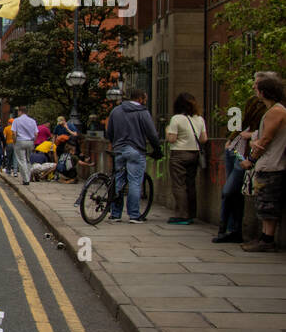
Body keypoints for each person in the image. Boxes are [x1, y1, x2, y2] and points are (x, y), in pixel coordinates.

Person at [242, 73, 286, 252]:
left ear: (264, 91)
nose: (254, 89)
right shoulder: (275, 110)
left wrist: (250, 159)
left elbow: (266, 140)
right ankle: (263, 238)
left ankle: (267, 240)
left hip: (271, 165)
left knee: (268, 204)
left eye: (257, 86)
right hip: (270, 164)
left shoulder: (276, 111)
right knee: (264, 204)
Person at [105, 88, 163, 223]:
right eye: (145, 99)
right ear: (140, 99)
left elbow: (109, 132)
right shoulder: (142, 112)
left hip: (119, 149)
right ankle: (134, 215)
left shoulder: (116, 111)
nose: (145, 101)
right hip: (136, 150)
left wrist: (115, 144)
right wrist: (157, 150)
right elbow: (152, 134)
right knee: (135, 182)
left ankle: (115, 214)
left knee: (118, 181)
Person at [216, 96, 267, 243]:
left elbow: (262, 137)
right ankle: (233, 230)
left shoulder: (260, 123)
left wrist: (249, 136)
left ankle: (224, 228)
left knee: (228, 191)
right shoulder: (245, 122)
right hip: (234, 152)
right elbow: (237, 133)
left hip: (241, 156)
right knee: (235, 194)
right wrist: (230, 142)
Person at [165, 92, 208, 225]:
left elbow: (171, 139)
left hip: (178, 154)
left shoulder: (176, 119)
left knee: (179, 185)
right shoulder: (199, 119)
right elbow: (204, 139)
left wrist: (167, 131)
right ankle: (191, 213)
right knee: (190, 184)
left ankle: (182, 215)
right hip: (194, 154)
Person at [11, 106, 39, 185]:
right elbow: (36, 133)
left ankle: (26, 179)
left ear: (20, 112)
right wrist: (33, 141)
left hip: (20, 141)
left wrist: (14, 141)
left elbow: (14, 133)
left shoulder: (16, 120)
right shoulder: (32, 121)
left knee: (21, 160)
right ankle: (28, 177)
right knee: (28, 160)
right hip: (30, 142)